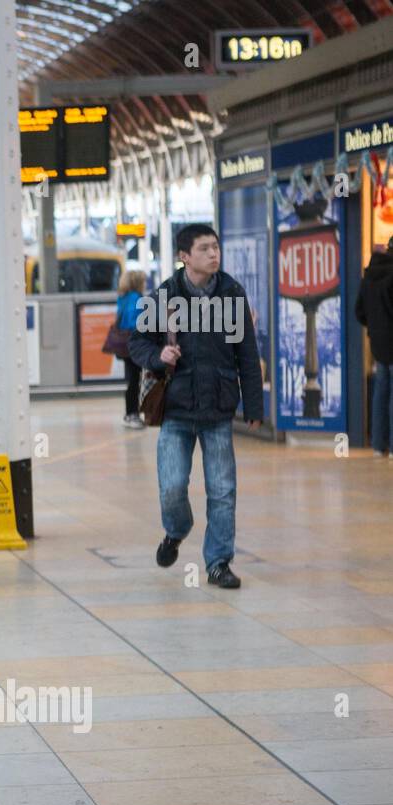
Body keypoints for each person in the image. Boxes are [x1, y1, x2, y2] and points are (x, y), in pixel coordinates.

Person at [128, 223, 264, 590]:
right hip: (176, 409)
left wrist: (254, 405)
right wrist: (159, 355)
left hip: (218, 409)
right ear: (184, 256)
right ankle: (176, 530)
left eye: (216, 247)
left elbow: (247, 354)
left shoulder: (232, 294)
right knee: (172, 488)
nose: (214, 254)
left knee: (222, 490)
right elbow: (136, 342)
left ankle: (219, 562)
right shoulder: (165, 297)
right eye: (204, 249)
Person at [355, 238, 393, 456]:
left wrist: (375, 326)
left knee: (381, 390)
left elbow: (359, 311)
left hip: (377, 342)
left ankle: (379, 444)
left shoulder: (369, 274)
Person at [114, 269, 146, 429]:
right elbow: (135, 322)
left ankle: (131, 413)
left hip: (124, 344)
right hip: (135, 344)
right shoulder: (136, 298)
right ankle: (132, 414)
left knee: (132, 379)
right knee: (135, 380)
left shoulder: (123, 297)